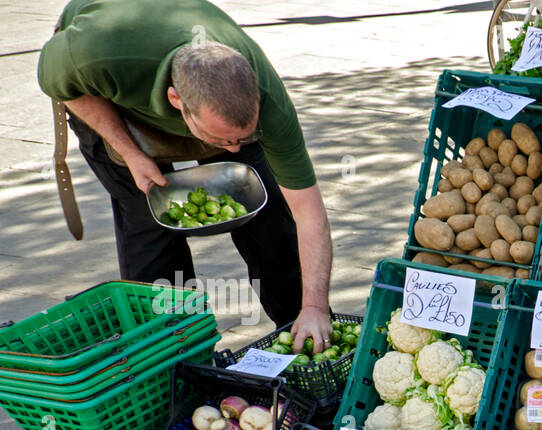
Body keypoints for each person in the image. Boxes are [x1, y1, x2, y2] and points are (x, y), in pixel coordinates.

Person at [38, 0, 334, 352]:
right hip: (117, 93)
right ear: (176, 102)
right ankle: (172, 356)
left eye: (244, 137)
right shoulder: (91, 56)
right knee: (150, 226)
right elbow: (61, 86)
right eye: (224, 140)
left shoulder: (269, 107)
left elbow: (309, 214)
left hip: (211, 104)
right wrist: (131, 153)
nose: (234, 148)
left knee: (269, 218)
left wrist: (314, 305)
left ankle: (305, 333)